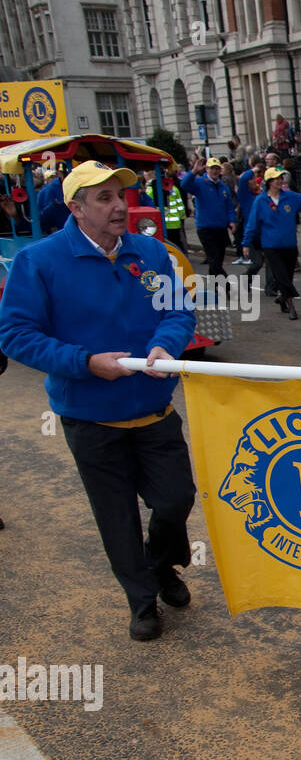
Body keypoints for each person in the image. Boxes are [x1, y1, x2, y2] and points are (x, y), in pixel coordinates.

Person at [0, 161, 198, 640]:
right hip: (90, 419)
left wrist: (165, 345)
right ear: (76, 208)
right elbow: (16, 334)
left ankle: (160, 565)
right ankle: (141, 599)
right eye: (105, 198)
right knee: (117, 517)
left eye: (120, 196)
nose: (119, 207)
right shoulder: (40, 261)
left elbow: (177, 309)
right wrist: (86, 362)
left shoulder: (150, 252)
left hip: (154, 412)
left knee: (175, 500)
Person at [242, 166, 301, 320]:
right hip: (271, 246)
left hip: (289, 244)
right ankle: (291, 307)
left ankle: (282, 299)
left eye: (281, 178)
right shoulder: (260, 201)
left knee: (287, 276)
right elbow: (252, 224)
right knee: (281, 276)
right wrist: (246, 243)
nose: (280, 181)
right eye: (276, 179)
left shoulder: (290, 196)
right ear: (269, 182)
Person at [178, 156, 238, 277]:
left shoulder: (223, 187)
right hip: (205, 227)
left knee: (218, 259)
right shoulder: (200, 182)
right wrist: (194, 171)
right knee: (213, 257)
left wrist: (232, 221)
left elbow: (229, 207)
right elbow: (184, 185)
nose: (215, 171)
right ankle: (224, 283)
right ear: (207, 170)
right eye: (212, 168)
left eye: (217, 168)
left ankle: (214, 287)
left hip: (221, 228)